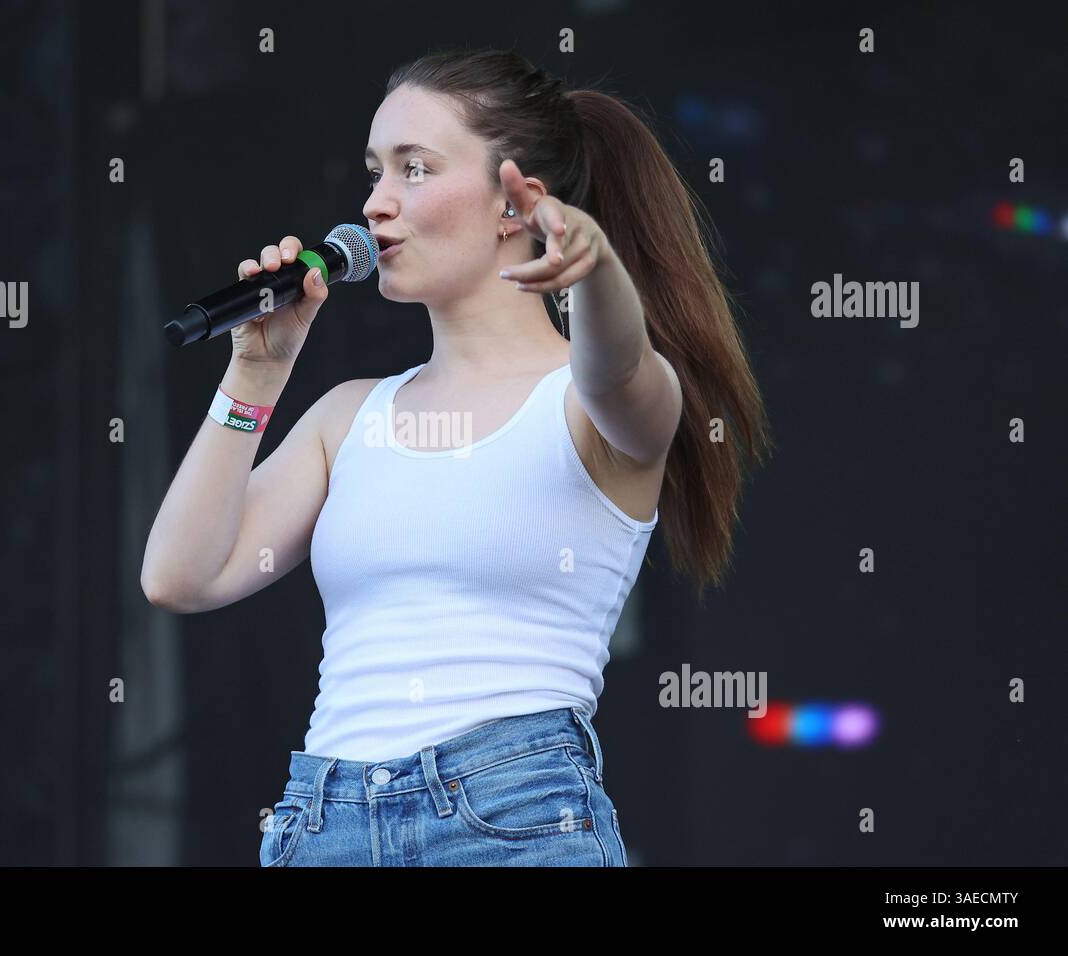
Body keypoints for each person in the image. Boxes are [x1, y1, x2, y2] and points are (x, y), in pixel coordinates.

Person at [141, 49, 773, 866]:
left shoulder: (590, 404)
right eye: (374, 173)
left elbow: (618, 367)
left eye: (414, 169)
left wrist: (598, 267)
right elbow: (179, 576)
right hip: (324, 822)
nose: (375, 204)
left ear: (517, 201)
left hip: (512, 813)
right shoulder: (348, 417)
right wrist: (255, 375)